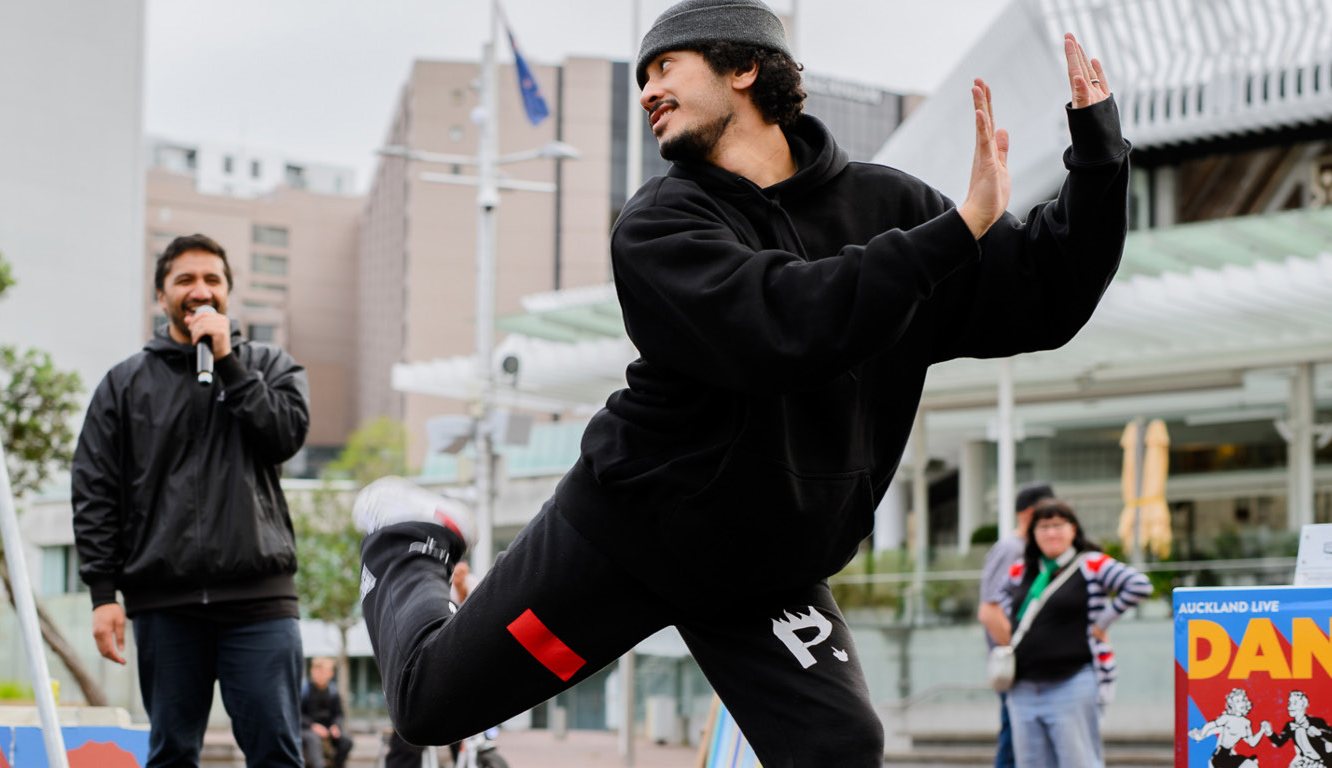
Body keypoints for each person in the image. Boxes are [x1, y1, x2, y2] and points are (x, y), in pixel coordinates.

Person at [351, 0, 1132, 764]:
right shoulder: (659, 223)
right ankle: (407, 540)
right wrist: (951, 236)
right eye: (642, 75)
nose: (649, 89)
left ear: (745, 68)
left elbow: (1043, 296)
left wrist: (1097, 157)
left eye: (667, 66)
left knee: (839, 746)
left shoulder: (886, 206)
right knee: (430, 706)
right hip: (628, 540)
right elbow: (782, 326)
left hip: (766, 568)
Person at [72, 233, 311, 768]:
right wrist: (103, 593)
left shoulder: (271, 366)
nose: (199, 290)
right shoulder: (124, 384)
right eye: (185, 279)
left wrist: (229, 364)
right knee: (172, 753)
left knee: (276, 752)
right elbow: (95, 490)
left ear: (228, 294)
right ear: (162, 297)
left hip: (259, 601)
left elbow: (285, 438)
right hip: (165, 603)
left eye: (212, 280)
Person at [997, 500, 1153, 768]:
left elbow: (1139, 585)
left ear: (1073, 529)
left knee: (1077, 760)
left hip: (1070, 683)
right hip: (1022, 686)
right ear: (1033, 534)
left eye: (1058, 525)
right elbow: (1000, 598)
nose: (1051, 533)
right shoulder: (1023, 569)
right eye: (1043, 527)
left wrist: (1102, 622)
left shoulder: (1090, 564)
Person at [977, 481, 1055, 768]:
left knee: (1020, 740)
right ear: (1030, 513)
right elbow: (989, 609)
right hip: (1017, 665)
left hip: (1025, 662)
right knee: (1014, 741)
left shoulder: (1028, 550)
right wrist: (1018, 649)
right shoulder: (1012, 548)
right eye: (1048, 513)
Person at [1189, 688, 1265, 768]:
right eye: (1237, 701)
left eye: (1242, 700)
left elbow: (1252, 742)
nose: (1241, 703)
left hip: (1229, 756)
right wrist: (1201, 735)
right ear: (1232, 705)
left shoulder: (1246, 723)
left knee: (1252, 765)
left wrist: (1262, 731)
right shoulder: (1227, 718)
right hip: (1219, 757)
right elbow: (1209, 725)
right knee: (1250, 764)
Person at [300, 658, 354, 768]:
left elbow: (339, 714)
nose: (321, 674)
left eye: (324, 671)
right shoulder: (303, 691)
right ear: (312, 671)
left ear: (331, 673)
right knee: (313, 739)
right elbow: (296, 714)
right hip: (306, 729)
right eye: (318, 671)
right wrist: (312, 726)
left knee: (347, 742)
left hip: (327, 729)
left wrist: (335, 726)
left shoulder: (333, 692)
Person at [1267, 690, 1332, 768]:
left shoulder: (1316, 721)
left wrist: (1319, 733)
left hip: (1322, 762)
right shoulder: (1290, 725)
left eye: (1295, 703)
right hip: (1304, 761)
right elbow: (1279, 742)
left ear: (1303, 705)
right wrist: (1270, 732)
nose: (1290, 706)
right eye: (1289, 703)